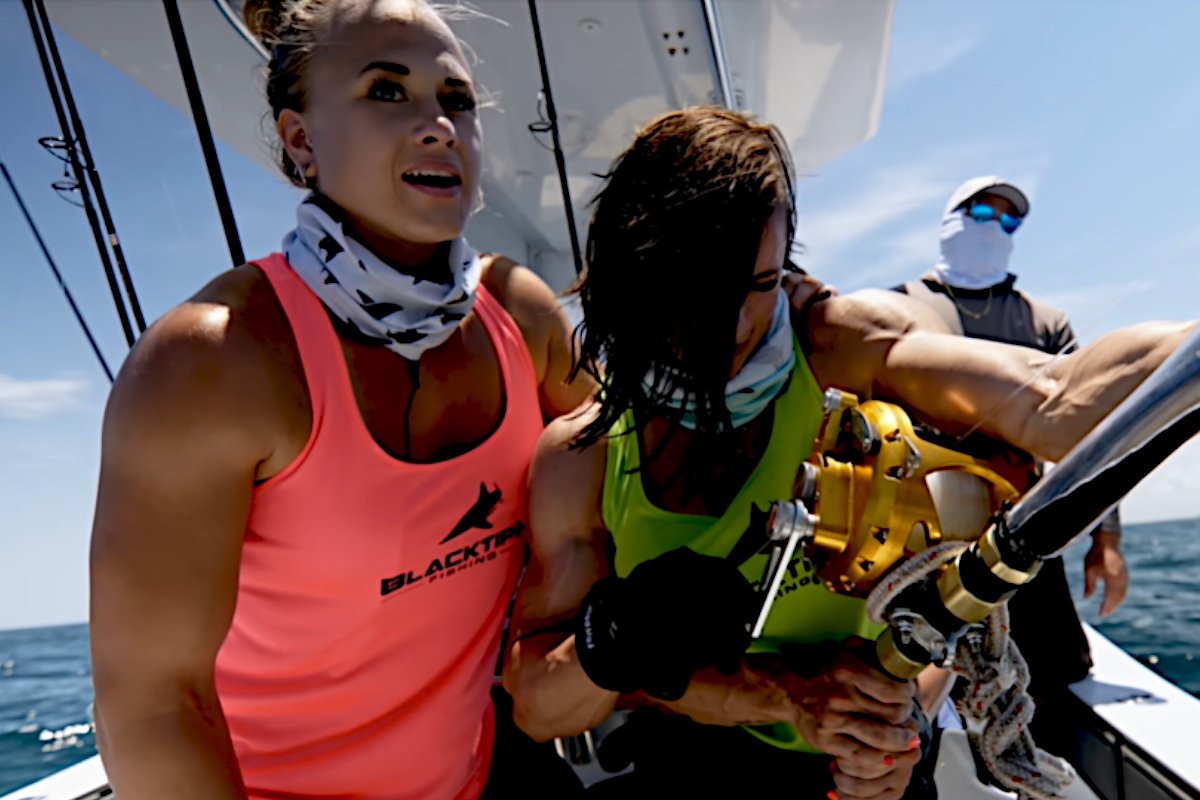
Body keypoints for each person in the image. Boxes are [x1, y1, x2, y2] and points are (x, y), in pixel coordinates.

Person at [502, 107, 1192, 799]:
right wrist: (615, 638)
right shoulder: (583, 455)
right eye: (700, 291)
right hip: (693, 764)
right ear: (635, 276)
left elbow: (1052, 397)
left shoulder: (841, 347)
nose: (736, 326)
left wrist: (900, 726)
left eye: (762, 285)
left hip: (872, 766)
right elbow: (538, 705)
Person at [88, 2, 592, 799]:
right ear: (300, 140)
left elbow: (633, 474)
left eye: (455, 99)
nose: (438, 126)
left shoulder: (521, 316)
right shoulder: (213, 364)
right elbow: (152, 706)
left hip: (479, 771)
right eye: (387, 93)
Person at [894, 177, 1127, 741]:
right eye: (980, 212)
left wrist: (1107, 542)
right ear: (951, 219)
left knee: (1052, 679)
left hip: (1028, 538)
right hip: (923, 540)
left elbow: (1092, 436)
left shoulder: (1046, 324)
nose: (993, 229)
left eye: (1008, 221)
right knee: (915, 689)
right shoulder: (900, 308)